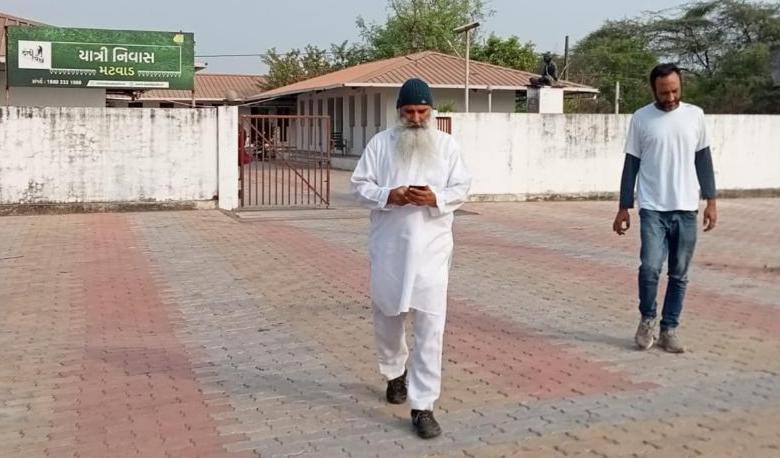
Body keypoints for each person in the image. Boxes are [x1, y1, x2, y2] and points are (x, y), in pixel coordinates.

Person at [350, 78, 471, 439]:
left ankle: (423, 406)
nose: (416, 119)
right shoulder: (380, 144)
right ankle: (393, 372)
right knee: (389, 316)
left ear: (431, 112)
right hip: (390, 248)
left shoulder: (447, 146)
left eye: (422, 112)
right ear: (398, 112)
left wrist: (434, 197)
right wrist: (392, 194)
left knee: (431, 327)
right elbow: (359, 186)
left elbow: (462, 187)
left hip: (433, 250)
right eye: (409, 112)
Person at [613, 63, 718, 353]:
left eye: (674, 91)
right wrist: (624, 206)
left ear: (680, 86)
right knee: (649, 268)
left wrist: (711, 201)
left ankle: (669, 329)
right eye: (663, 92)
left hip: (686, 208)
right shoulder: (641, 118)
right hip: (652, 209)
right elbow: (631, 165)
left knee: (679, 273)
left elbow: (703, 161)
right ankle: (647, 318)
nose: (670, 97)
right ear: (653, 90)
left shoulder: (695, 116)